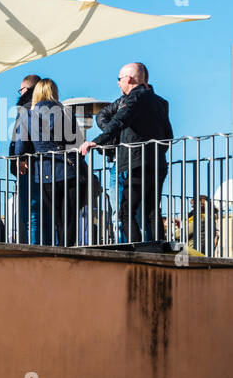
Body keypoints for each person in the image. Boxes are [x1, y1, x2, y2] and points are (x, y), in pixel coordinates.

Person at [79, 63, 174, 243]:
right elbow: (169, 134)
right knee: (152, 210)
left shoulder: (134, 98)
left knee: (125, 212)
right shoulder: (161, 102)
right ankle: (159, 250)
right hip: (158, 163)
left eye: (119, 79)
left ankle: (137, 251)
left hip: (136, 162)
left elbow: (119, 121)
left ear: (129, 79)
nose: (118, 83)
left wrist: (97, 141)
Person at [13, 78, 83, 247]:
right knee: (68, 216)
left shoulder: (28, 115)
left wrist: (21, 159)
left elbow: (21, 145)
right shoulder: (65, 112)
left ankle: (52, 250)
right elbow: (78, 141)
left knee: (52, 215)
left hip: (43, 171)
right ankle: (67, 248)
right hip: (68, 168)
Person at [8, 74, 43, 244]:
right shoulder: (51, 108)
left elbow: (20, 137)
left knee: (31, 213)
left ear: (27, 90)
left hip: (29, 166)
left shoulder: (26, 109)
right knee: (44, 212)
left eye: (21, 90)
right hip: (46, 166)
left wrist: (18, 158)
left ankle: (34, 247)